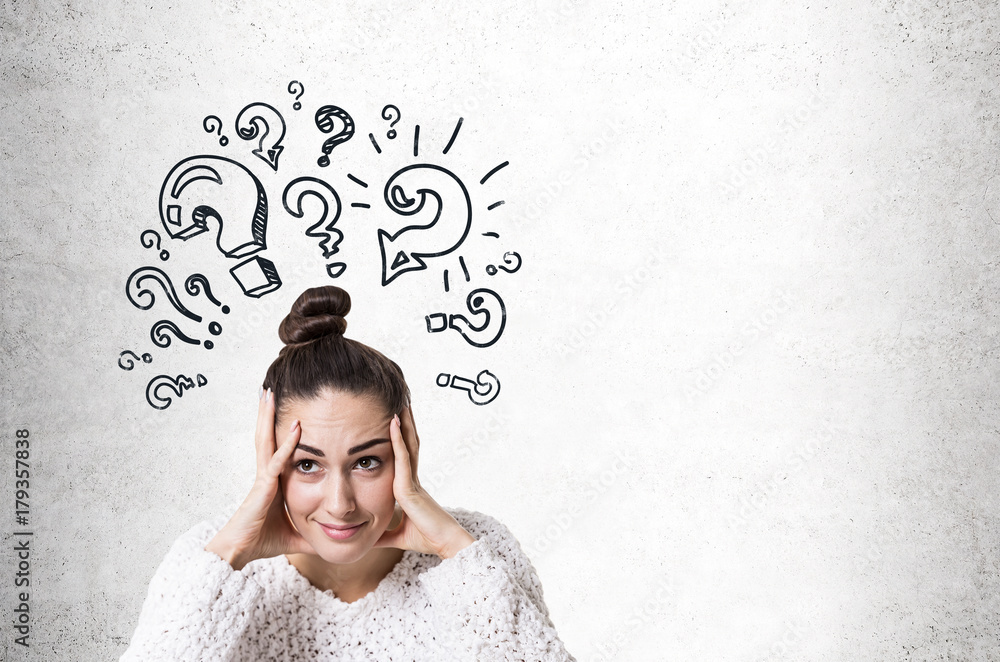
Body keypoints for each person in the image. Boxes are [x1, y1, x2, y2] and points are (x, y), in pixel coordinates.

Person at [120, 285, 576, 661]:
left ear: (406, 451)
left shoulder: (478, 551)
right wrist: (228, 556)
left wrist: (454, 550)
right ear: (270, 459)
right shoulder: (207, 562)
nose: (340, 504)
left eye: (366, 462)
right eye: (307, 464)